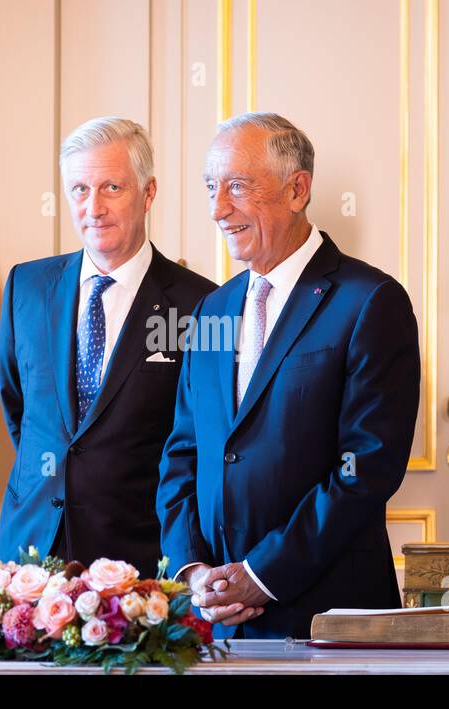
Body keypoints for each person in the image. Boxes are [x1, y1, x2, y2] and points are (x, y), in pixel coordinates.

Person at [156, 113, 422, 639]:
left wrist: (261, 575)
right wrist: (194, 572)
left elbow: (365, 468)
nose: (218, 209)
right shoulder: (212, 309)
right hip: (217, 622)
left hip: (329, 621)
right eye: (211, 188)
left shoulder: (370, 301)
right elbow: (183, 453)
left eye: (236, 186)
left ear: (297, 189)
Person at [0, 117, 215, 575]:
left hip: (138, 556)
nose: (93, 207)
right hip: (30, 550)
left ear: (148, 192)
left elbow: (203, 443)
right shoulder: (26, 286)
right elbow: (18, 406)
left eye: (112, 187)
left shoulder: (201, 305)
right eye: (79, 190)